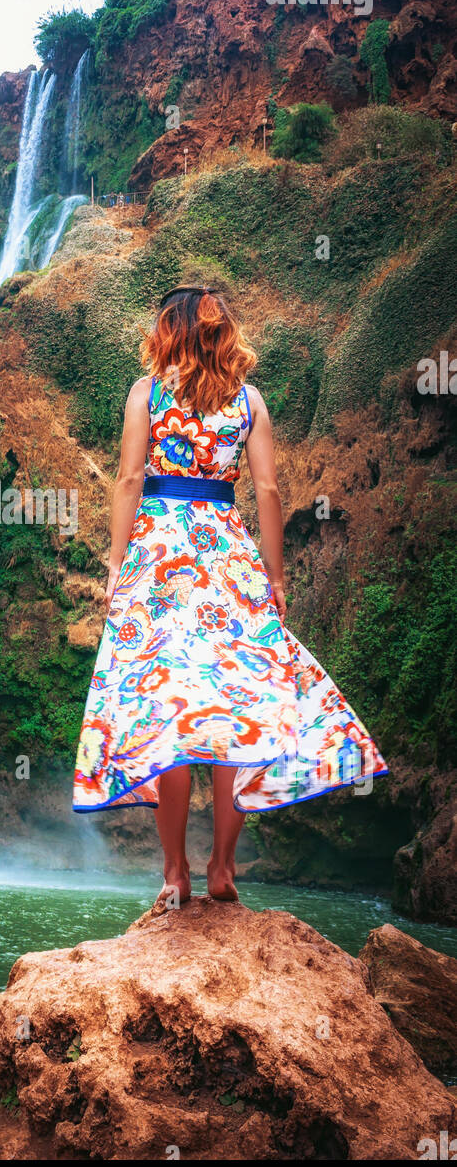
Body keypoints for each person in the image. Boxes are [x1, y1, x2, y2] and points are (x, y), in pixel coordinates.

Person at [73, 287, 387, 907]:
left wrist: (114, 563)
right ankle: (222, 868)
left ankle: (173, 874)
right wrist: (274, 575)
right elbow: (267, 490)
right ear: (222, 336)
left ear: (170, 333)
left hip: (160, 561)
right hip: (227, 558)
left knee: (168, 717)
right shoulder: (249, 402)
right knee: (233, 714)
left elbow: (131, 478)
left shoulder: (147, 393)